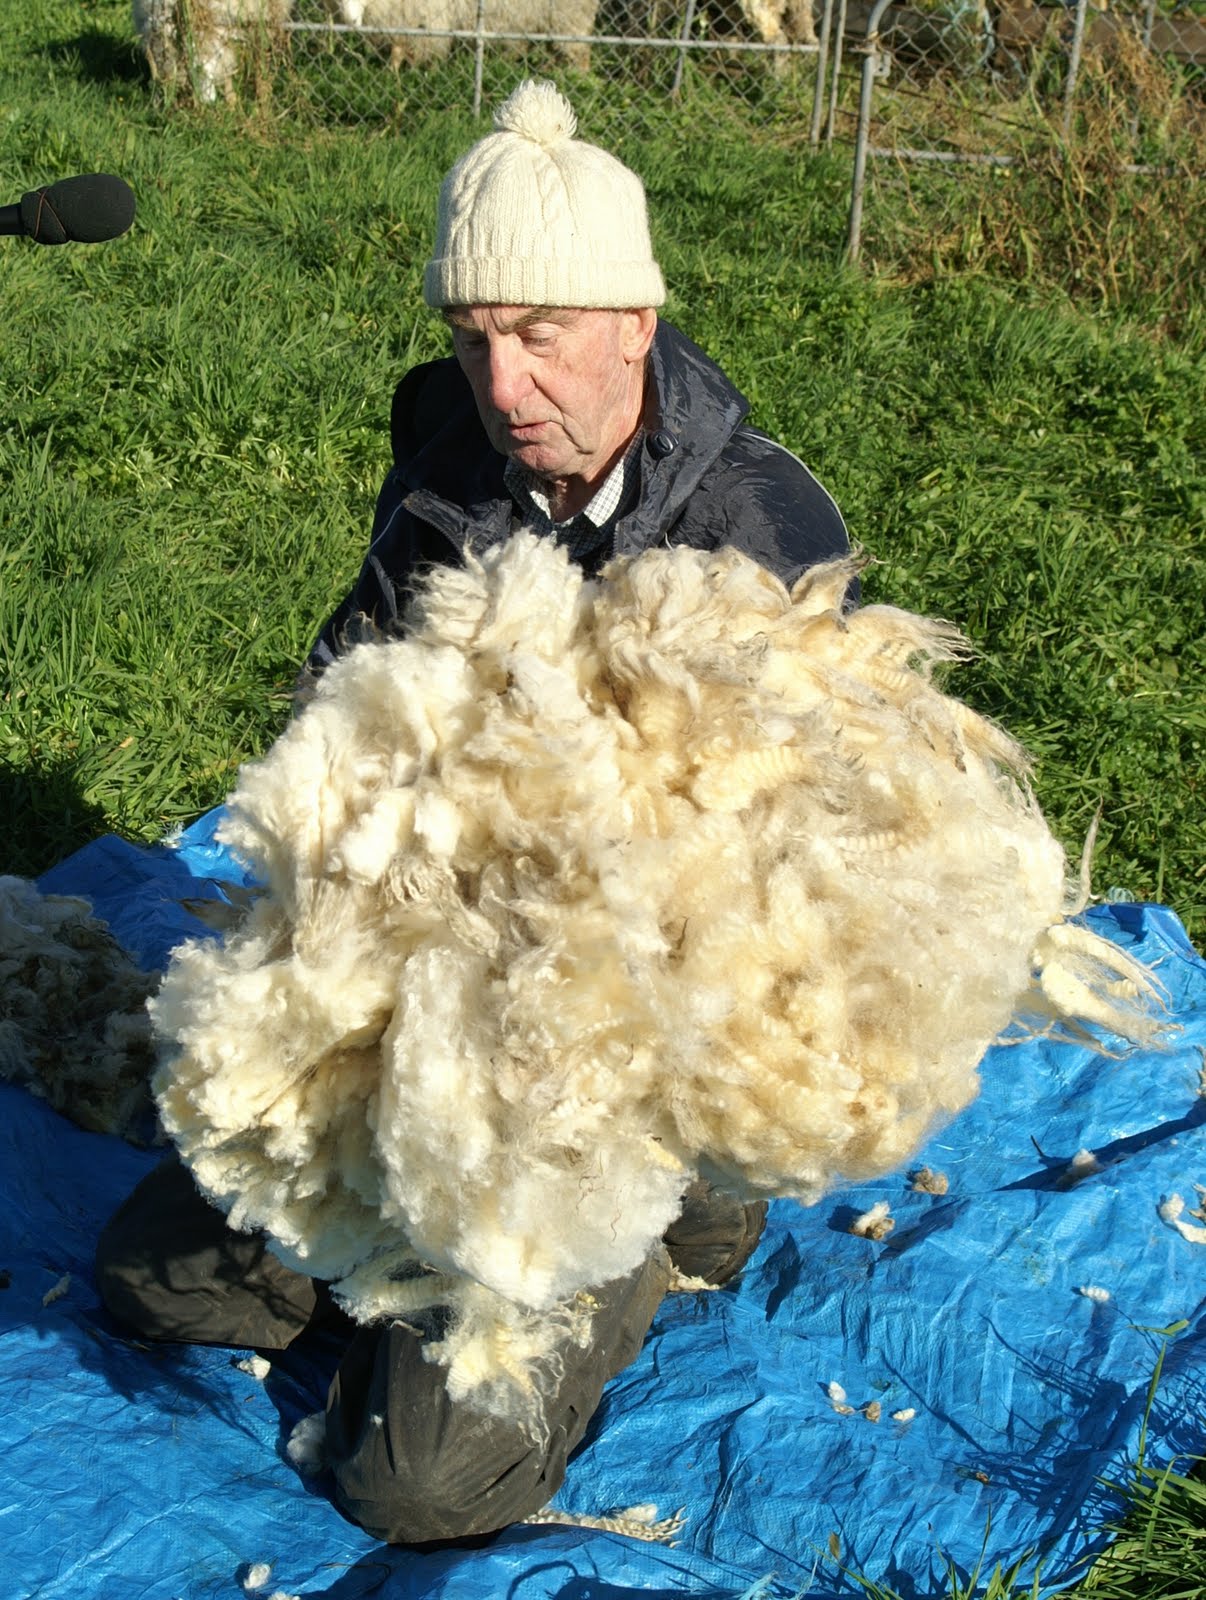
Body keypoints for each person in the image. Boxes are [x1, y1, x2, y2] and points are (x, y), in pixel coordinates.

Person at [97, 78, 851, 1547]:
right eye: (475, 335)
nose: (506, 385)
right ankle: (381, 1246)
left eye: (542, 335)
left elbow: (770, 890)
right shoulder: (457, 442)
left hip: (623, 1032)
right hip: (424, 975)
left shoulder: (757, 535)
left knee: (416, 1487)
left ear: (634, 321)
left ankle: (678, 1220)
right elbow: (352, 675)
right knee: (150, 1275)